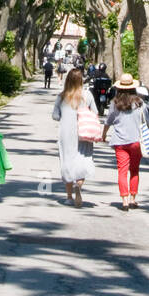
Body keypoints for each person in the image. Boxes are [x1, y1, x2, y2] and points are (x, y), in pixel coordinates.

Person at [51, 68, 98, 208]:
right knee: (82, 160)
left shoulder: (62, 96)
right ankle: (79, 184)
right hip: (83, 132)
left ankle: (69, 196)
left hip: (66, 134)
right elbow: (95, 112)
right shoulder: (87, 95)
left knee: (67, 162)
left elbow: (55, 116)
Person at [102, 73, 149, 211]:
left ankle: (124, 201)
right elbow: (147, 120)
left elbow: (108, 121)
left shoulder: (115, 103)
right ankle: (133, 199)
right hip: (136, 141)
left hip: (120, 142)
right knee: (134, 170)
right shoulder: (140, 103)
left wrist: (104, 134)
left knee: (122, 171)